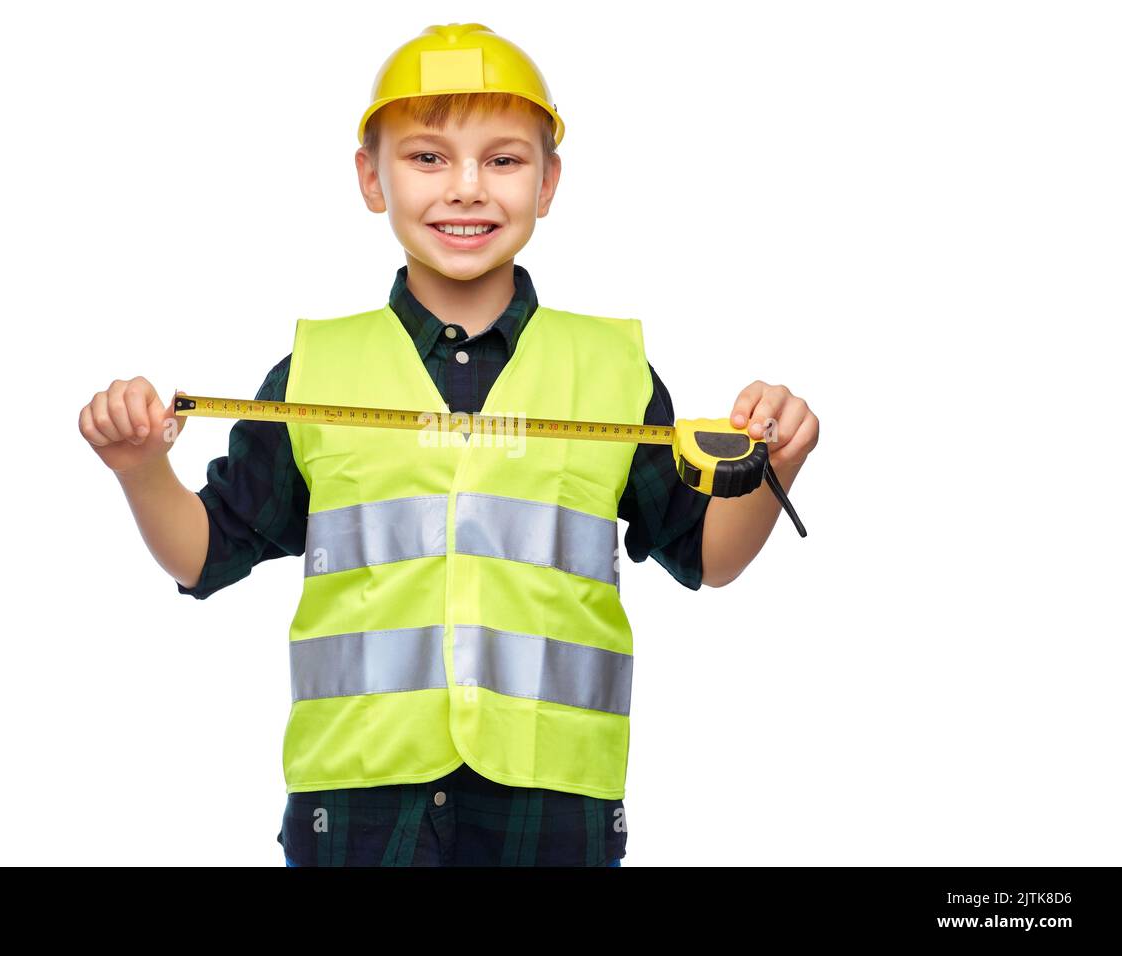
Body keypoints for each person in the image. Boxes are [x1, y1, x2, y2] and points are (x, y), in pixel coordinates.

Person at [78, 23, 819, 867]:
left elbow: (708, 556)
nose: (466, 189)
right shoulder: (316, 371)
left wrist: (776, 463)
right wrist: (142, 470)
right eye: (427, 158)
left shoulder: (613, 372)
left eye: (503, 160)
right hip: (356, 806)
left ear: (548, 183)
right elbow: (200, 554)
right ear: (370, 176)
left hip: (555, 808)